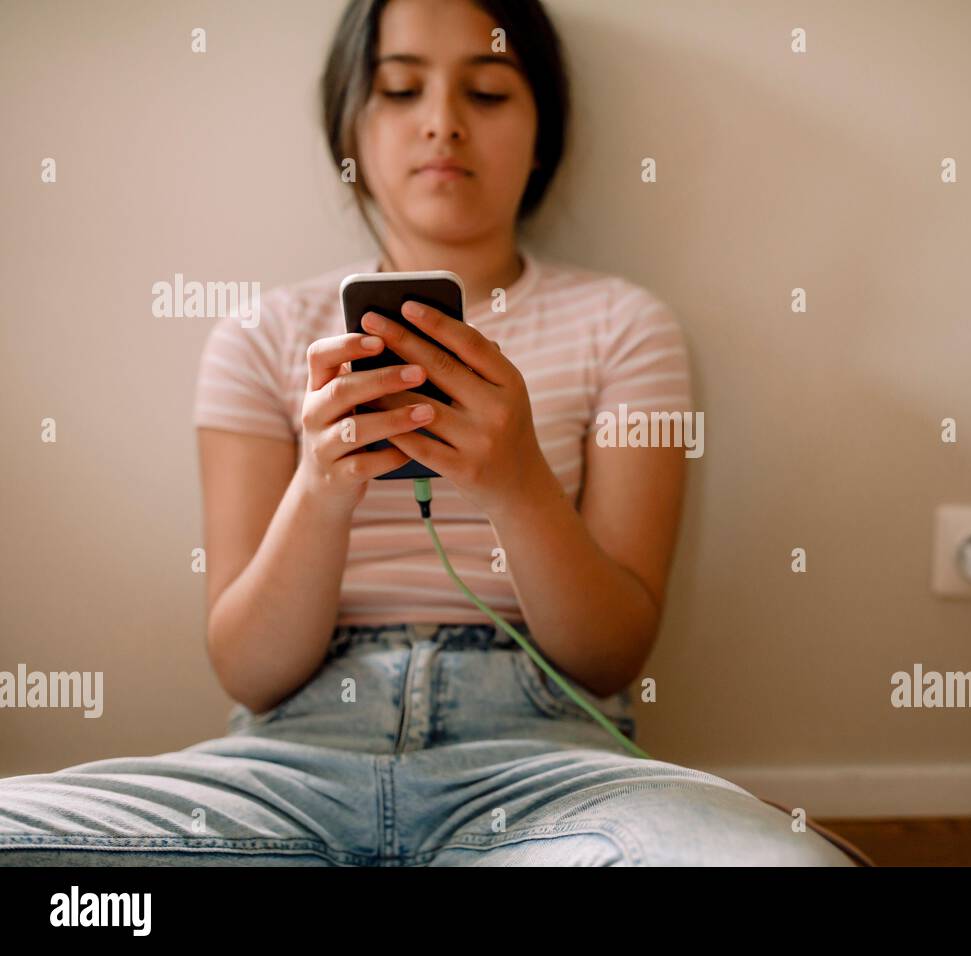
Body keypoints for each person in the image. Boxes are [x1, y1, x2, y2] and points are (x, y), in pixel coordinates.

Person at [0, 0, 857, 866]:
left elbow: (610, 656)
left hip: (550, 768)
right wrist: (320, 490)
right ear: (350, 123)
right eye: (401, 89)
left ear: (542, 130)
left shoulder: (624, 326)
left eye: (487, 93)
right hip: (287, 765)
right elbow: (247, 670)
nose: (442, 124)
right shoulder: (260, 336)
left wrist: (517, 484)